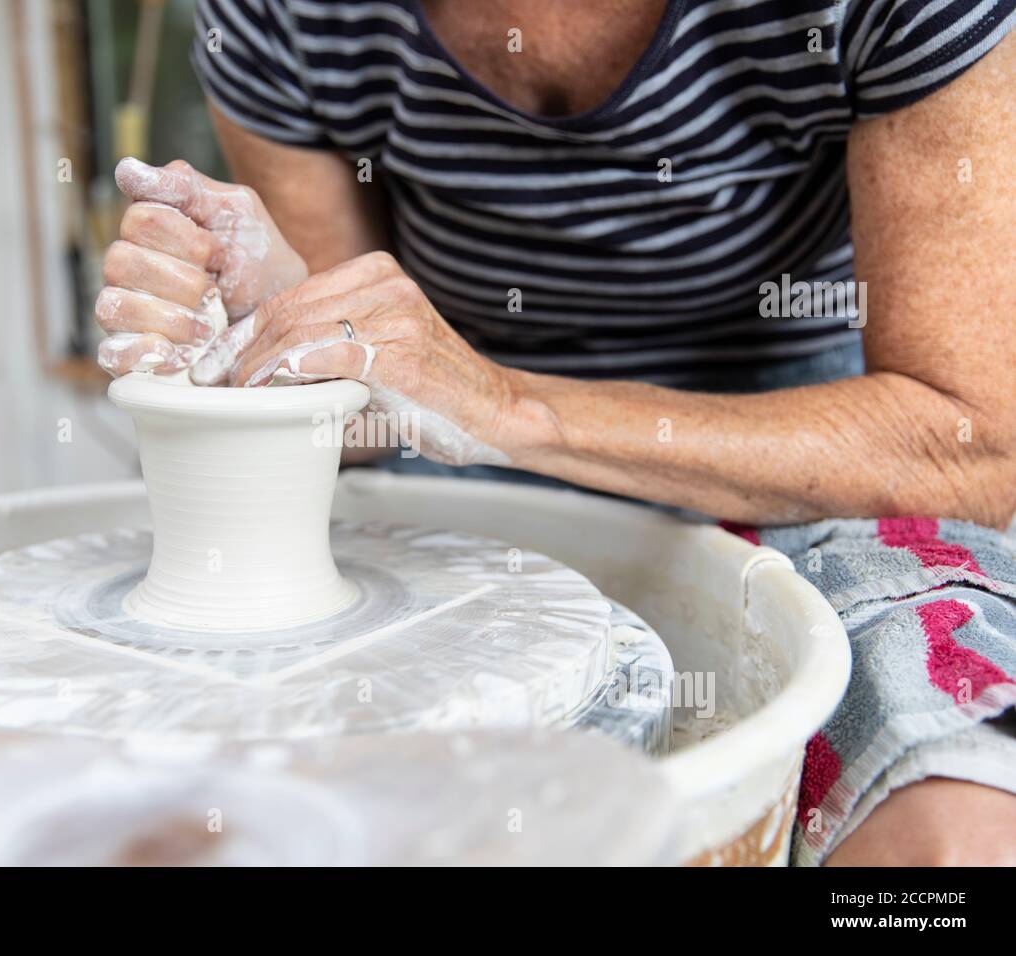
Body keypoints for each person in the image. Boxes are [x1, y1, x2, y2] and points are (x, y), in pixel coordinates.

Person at [96, 0, 1016, 864]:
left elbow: (967, 444)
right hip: (464, 455)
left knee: (954, 825)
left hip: (814, 452)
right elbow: (380, 410)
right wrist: (283, 333)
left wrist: (512, 408)